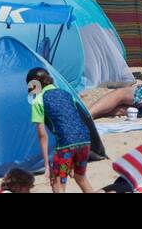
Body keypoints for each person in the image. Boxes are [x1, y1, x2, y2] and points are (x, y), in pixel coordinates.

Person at [25, 66, 94, 194]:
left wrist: (46, 164)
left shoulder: (38, 101)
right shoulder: (66, 94)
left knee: (58, 182)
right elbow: (73, 120)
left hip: (66, 149)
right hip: (84, 142)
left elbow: (42, 135)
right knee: (81, 177)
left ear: (35, 85)